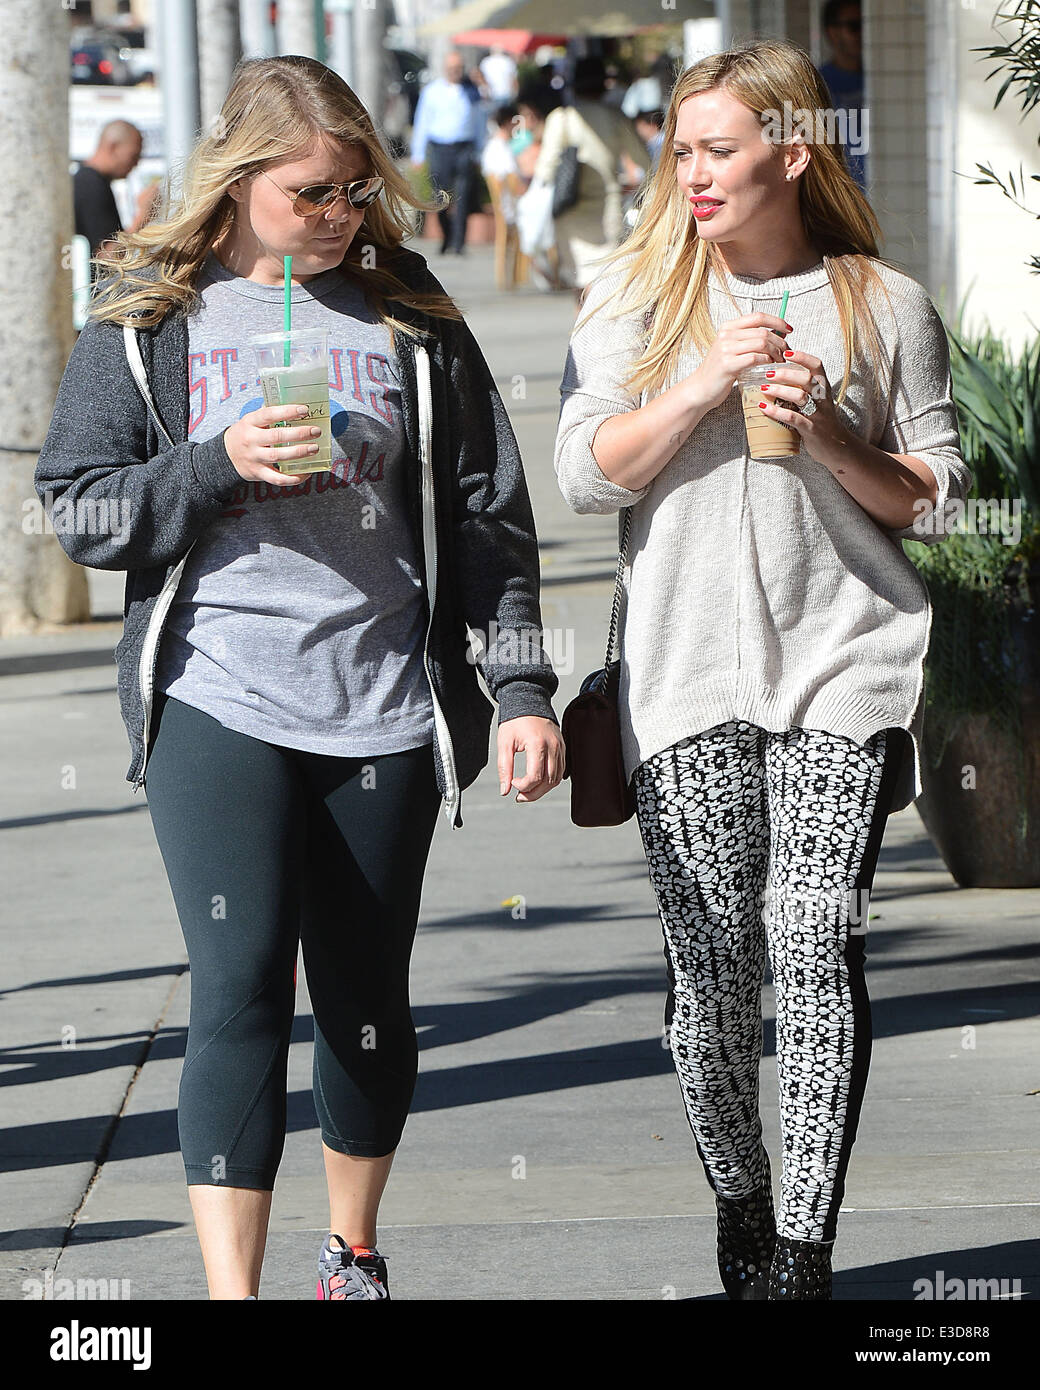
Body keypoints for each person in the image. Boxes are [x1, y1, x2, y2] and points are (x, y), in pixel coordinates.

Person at [36, 54, 564, 1301]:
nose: (337, 217)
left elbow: (489, 510)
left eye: (353, 193)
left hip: (383, 694)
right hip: (215, 691)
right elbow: (79, 506)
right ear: (236, 180)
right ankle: (234, 1295)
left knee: (365, 991)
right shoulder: (144, 315)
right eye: (310, 195)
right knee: (235, 979)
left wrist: (523, 687)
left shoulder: (410, 309)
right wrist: (215, 462)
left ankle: (354, 1250)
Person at [553, 38, 970, 1300]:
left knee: (810, 931)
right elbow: (583, 475)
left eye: (715, 149)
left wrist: (832, 432)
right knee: (713, 968)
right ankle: (738, 1199)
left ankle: (801, 1249)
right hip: (680, 674)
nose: (689, 173)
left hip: (844, 658)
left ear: (791, 152)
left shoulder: (879, 302)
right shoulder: (634, 298)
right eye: (678, 150)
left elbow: (936, 501)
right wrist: (697, 385)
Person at [533, 56, 650, 303]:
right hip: (606, 207)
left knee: (579, 283)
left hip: (567, 207)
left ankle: (579, 336)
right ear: (604, 85)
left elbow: (545, 169)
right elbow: (646, 162)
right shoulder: (614, 117)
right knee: (603, 281)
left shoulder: (561, 118)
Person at [410, 50, 487, 255]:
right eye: (452, 68)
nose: (455, 72)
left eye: (458, 68)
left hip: (464, 147)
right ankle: (447, 236)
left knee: (463, 194)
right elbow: (422, 122)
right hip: (440, 148)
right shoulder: (432, 92)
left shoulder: (471, 91)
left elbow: (480, 122)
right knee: (440, 195)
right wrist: (417, 154)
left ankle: (460, 242)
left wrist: (480, 151)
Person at [73, 120, 159, 280]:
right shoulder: (91, 185)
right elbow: (108, 257)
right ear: (113, 147)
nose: (136, 163)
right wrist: (143, 217)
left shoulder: (89, 180)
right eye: (134, 155)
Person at [819, 0, 867, 189]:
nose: (863, 34)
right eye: (854, 26)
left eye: (865, 25)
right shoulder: (818, 84)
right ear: (833, 32)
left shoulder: (883, 82)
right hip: (842, 193)